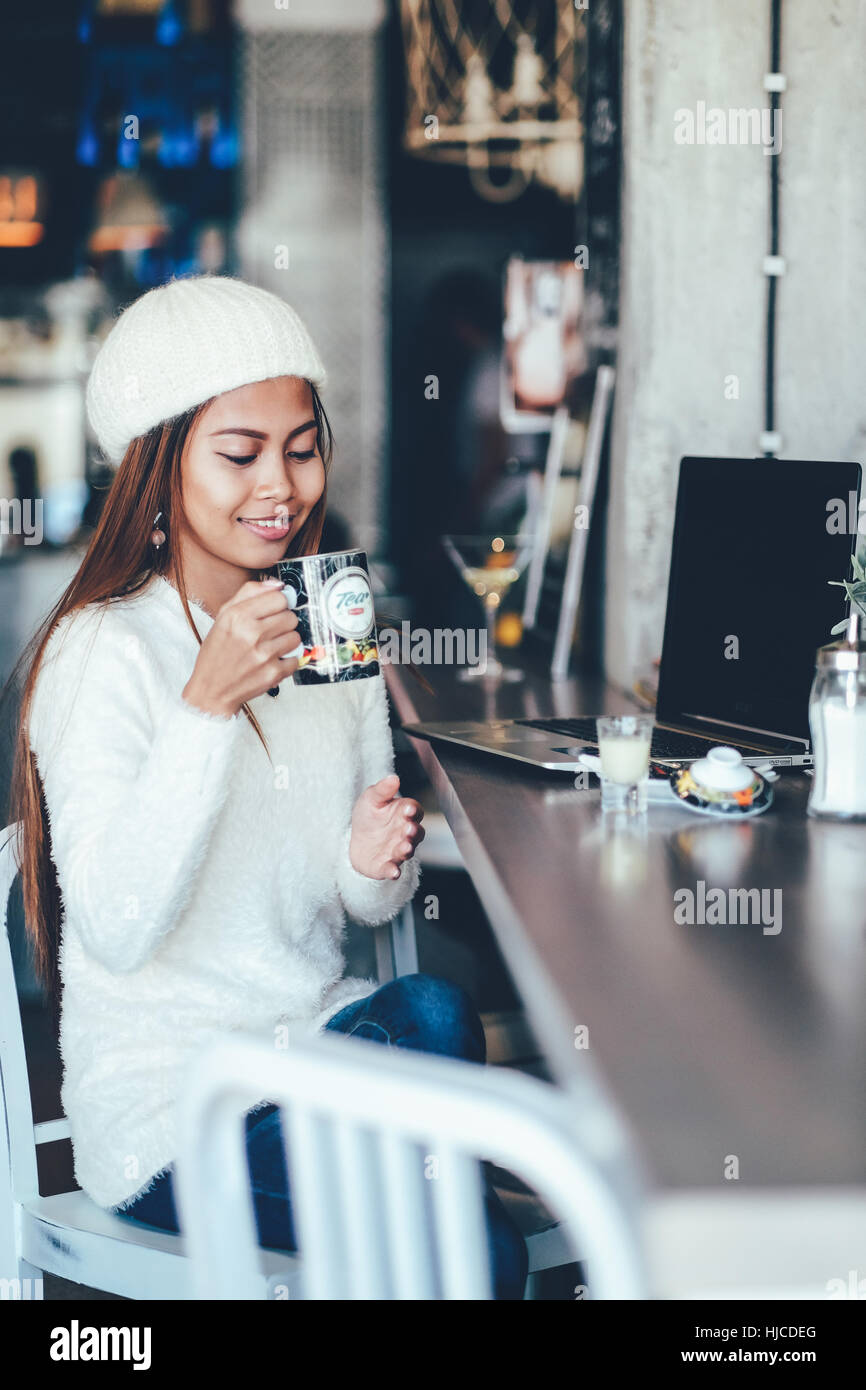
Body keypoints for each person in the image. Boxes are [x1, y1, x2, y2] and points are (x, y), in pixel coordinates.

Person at [5, 275, 528, 1300]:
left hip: (317, 1060)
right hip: (176, 1116)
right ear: (157, 464)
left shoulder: (326, 618)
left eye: (300, 445)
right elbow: (113, 923)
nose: (279, 485)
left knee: (427, 1008)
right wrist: (203, 710)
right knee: (457, 1226)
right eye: (239, 454)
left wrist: (371, 856)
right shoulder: (101, 649)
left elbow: (360, 899)